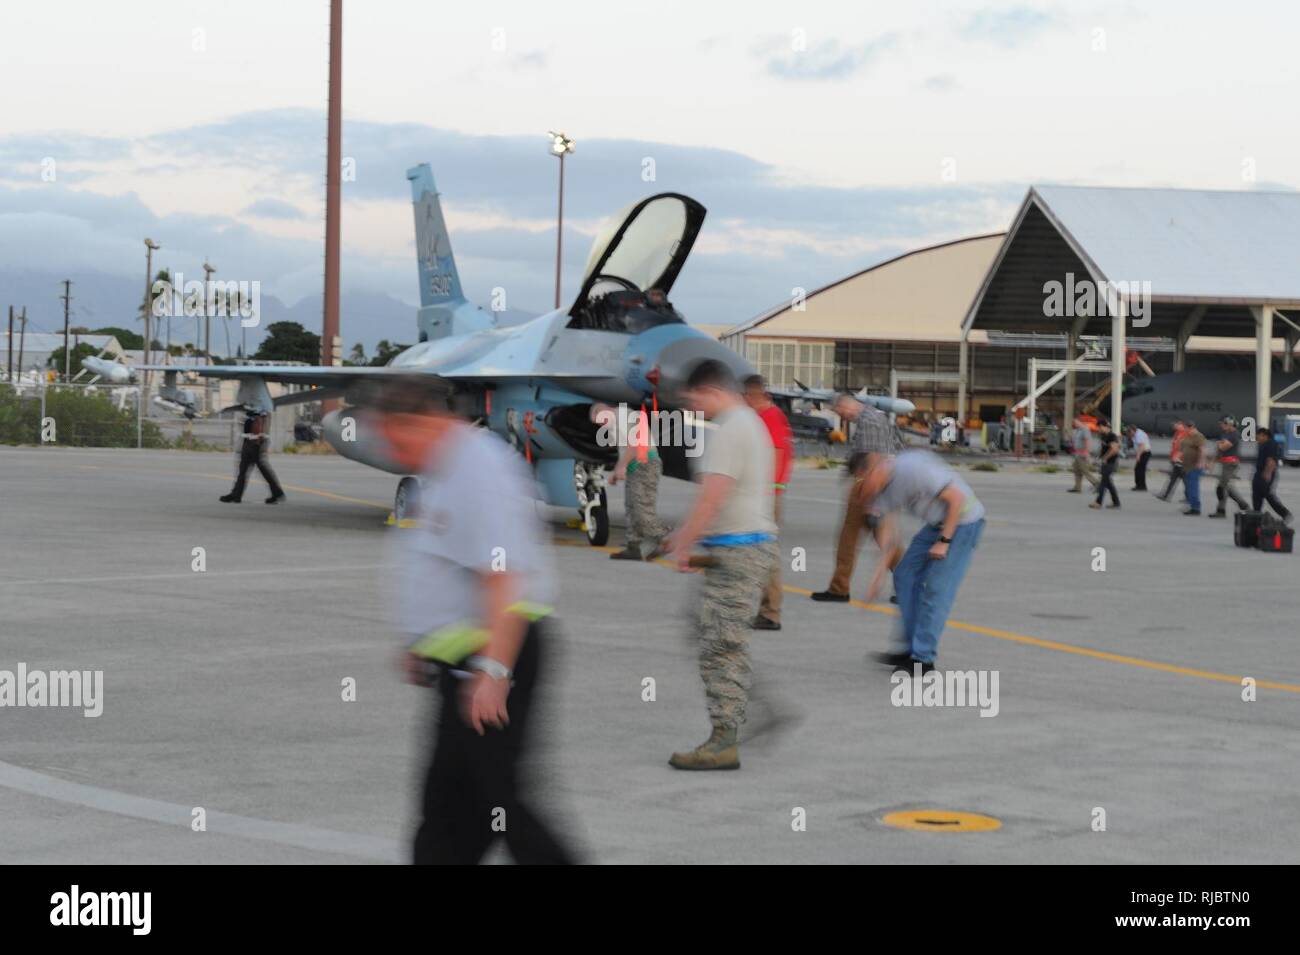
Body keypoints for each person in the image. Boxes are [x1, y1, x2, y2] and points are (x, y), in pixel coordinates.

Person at [387, 385, 576, 865]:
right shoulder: (447, 467)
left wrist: (493, 672)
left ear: (420, 420)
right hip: (462, 665)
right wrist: (421, 643)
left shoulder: (478, 467)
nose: (394, 454)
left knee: (502, 806)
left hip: (495, 658)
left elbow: (504, 576)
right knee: (451, 812)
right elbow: (447, 561)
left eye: (396, 440)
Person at [664, 360, 777, 771]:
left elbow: (714, 494)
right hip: (736, 548)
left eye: (692, 400)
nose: (691, 408)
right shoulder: (746, 423)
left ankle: (724, 740)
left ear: (709, 390)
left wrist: (686, 541)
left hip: (740, 552)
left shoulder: (731, 428)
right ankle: (758, 709)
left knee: (720, 646)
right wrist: (688, 538)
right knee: (708, 632)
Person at [864, 449, 986, 672]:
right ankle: (908, 649)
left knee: (936, 588)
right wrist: (878, 575)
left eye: (864, 481)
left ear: (876, 468)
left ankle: (923, 658)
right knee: (904, 575)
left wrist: (944, 541)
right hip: (936, 524)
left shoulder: (912, 468)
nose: (865, 489)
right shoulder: (881, 490)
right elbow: (890, 535)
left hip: (964, 521)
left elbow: (956, 499)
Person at [810, 394, 897, 602]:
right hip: (877, 484)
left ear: (846, 406)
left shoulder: (869, 421)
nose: (843, 417)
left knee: (852, 538)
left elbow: (872, 459)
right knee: (877, 539)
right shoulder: (875, 417)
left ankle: (840, 589)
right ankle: (839, 587)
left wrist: (868, 499)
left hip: (869, 486)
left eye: (841, 412)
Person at [743, 375, 794, 631]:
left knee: (766, 553)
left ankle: (771, 612)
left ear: (752, 396)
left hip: (766, 494)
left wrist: (764, 491)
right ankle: (765, 608)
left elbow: (775, 453)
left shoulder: (770, 417)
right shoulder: (766, 416)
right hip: (765, 492)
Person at [597, 402, 670, 561]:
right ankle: (634, 547)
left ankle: (662, 536)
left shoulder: (623, 416)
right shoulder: (616, 422)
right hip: (635, 467)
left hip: (645, 465)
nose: (602, 425)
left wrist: (620, 467)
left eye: (601, 420)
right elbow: (626, 450)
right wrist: (618, 472)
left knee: (641, 505)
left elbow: (635, 443)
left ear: (605, 411)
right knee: (631, 507)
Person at [220, 408, 285, 504]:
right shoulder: (255, 405)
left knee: (261, 468)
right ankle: (236, 494)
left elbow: (259, 421)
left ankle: (277, 492)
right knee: (243, 468)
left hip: (254, 442)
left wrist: (257, 440)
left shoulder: (260, 405)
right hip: (250, 440)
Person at [1209, 415, 1250, 519]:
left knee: (1222, 488)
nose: (1221, 426)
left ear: (1229, 424)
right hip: (1225, 463)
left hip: (1230, 464)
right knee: (1224, 487)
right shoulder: (1226, 434)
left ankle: (1223, 510)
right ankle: (1242, 505)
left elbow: (1222, 447)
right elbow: (1219, 449)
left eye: (1223, 424)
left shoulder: (1234, 435)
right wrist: (1212, 462)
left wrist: (1219, 444)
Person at [1252, 425, 1292, 524]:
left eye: (1259, 436)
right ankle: (1257, 515)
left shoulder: (1271, 444)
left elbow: (1271, 461)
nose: (1257, 438)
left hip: (1266, 474)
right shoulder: (1263, 444)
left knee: (1268, 495)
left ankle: (1285, 514)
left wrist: (1268, 473)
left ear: (1264, 436)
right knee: (1256, 494)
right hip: (1259, 473)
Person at [1089, 418, 1121, 509]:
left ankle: (1098, 502)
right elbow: (1103, 449)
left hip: (1111, 462)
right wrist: (1098, 459)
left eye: (1099, 427)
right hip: (1105, 462)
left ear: (1103, 426)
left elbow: (1114, 449)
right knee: (1108, 483)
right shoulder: (1103, 436)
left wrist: (1104, 458)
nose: (1098, 429)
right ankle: (1116, 502)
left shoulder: (1112, 436)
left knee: (1103, 482)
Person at [1180, 423, 1207, 515]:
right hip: (1187, 466)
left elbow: (1202, 450)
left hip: (1194, 466)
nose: (1185, 431)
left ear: (1191, 427)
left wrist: (1200, 462)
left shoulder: (1198, 436)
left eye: (1186, 429)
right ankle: (1192, 506)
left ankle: (1196, 508)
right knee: (1189, 487)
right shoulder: (1188, 436)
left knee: (1193, 487)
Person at [1067, 416, 1099, 494]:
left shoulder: (1085, 429)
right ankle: (1077, 487)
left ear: (1080, 422)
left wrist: (1087, 453)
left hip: (1083, 454)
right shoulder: (1078, 430)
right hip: (1077, 453)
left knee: (1085, 470)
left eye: (1075, 422)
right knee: (1077, 470)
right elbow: (1076, 440)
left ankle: (1097, 484)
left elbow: (1087, 441)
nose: (1074, 424)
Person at [1157, 420, 1187, 502]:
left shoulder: (1184, 434)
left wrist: (1178, 457)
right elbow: (1174, 446)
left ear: (1180, 424)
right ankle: (1166, 495)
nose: (1173, 426)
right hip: (1176, 459)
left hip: (1180, 460)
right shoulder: (1177, 433)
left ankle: (1167, 495)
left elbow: (1183, 448)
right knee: (1174, 478)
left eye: (1175, 425)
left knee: (1180, 479)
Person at [1126, 423, 1152, 491]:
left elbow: (1142, 446)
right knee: (1138, 469)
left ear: (1133, 430)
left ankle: (1141, 486)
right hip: (1143, 453)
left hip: (1144, 453)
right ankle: (1139, 485)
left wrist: (1138, 455)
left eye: (1130, 432)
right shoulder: (1137, 433)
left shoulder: (1139, 434)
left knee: (1140, 470)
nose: (1130, 434)